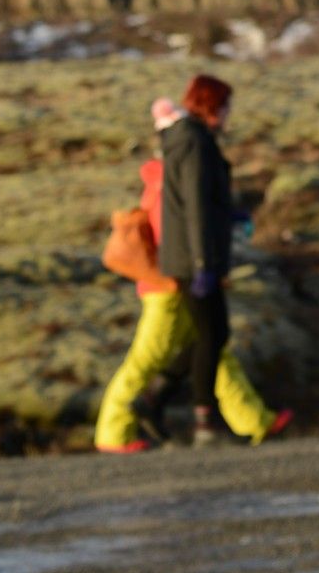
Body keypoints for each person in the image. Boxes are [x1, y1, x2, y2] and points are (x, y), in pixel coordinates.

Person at [94, 90, 291, 452]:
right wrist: (200, 264)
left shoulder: (168, 172)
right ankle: (117, 430)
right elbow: (175, 228)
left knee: (212, 345)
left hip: (172, 279)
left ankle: (253, 420)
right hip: (164, 286)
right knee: (152, 357)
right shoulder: (165, 179)